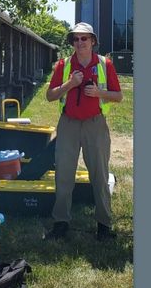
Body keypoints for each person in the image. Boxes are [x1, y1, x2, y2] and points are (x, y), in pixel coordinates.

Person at [44, 22, 121, 241]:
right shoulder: (64, 64)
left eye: (84, 38)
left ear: (93, 41)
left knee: (100, 175)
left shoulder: (105, 64)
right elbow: (50, 96)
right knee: (63, 175)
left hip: (95, 124)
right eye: (76, 39)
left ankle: (104, 226)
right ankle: (61, 223)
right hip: (68, 124)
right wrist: (69, 84)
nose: (79, 43)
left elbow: (118, 96)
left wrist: (99, 93)